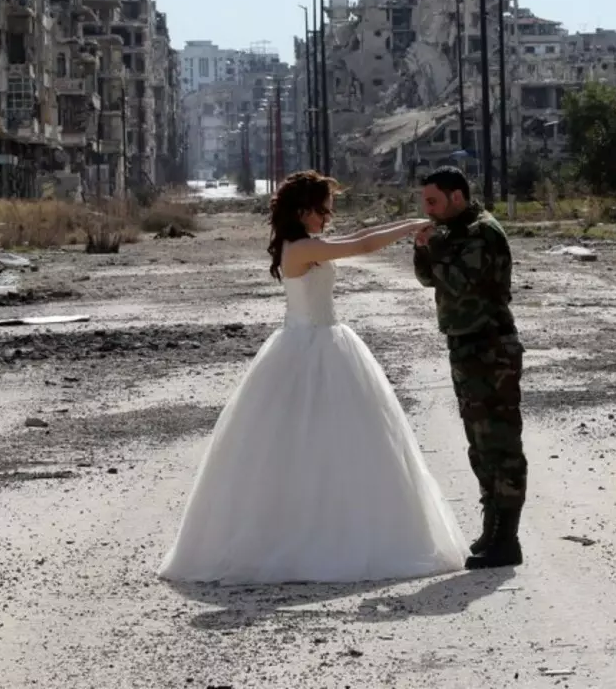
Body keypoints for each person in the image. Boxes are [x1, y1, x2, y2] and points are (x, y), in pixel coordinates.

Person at [158, 171, 468, 585]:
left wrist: (408, 225)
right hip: (310, 345)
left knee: (329, 442)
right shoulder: (300, 248)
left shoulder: (307, 244)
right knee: (304, 443)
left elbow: (361, 233)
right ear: (305, 211)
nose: (328, 216)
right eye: (324, 209)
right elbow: (360, 245)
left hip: (320, 342)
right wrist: (411, 227)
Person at [413, 166, 527, 571]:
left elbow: (462, 282)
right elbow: (431, 279)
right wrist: (423, 248)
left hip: (491, 347)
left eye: (433, 202)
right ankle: (492, 529)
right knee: (480, 445)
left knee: (501, 444)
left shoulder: (481, 231)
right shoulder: (453, 232)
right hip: (465, 347)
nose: (427, 210)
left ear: (456, 196)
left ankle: (507, 539)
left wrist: (437, 249)